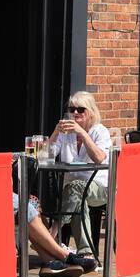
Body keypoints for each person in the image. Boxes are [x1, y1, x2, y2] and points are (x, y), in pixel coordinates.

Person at [47, 91, 111, 260]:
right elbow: (44, 157)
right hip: (73, 189)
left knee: (76, 190)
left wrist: (83, 133)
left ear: (90, 112)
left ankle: (51, 234)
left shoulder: (100, 131)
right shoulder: (65, 131)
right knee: (76, 196)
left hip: (100, 187)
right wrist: (55, 132)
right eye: (72, 109)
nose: (75, 113)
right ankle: (86, 253)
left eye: (80, 110)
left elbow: (99, 157)